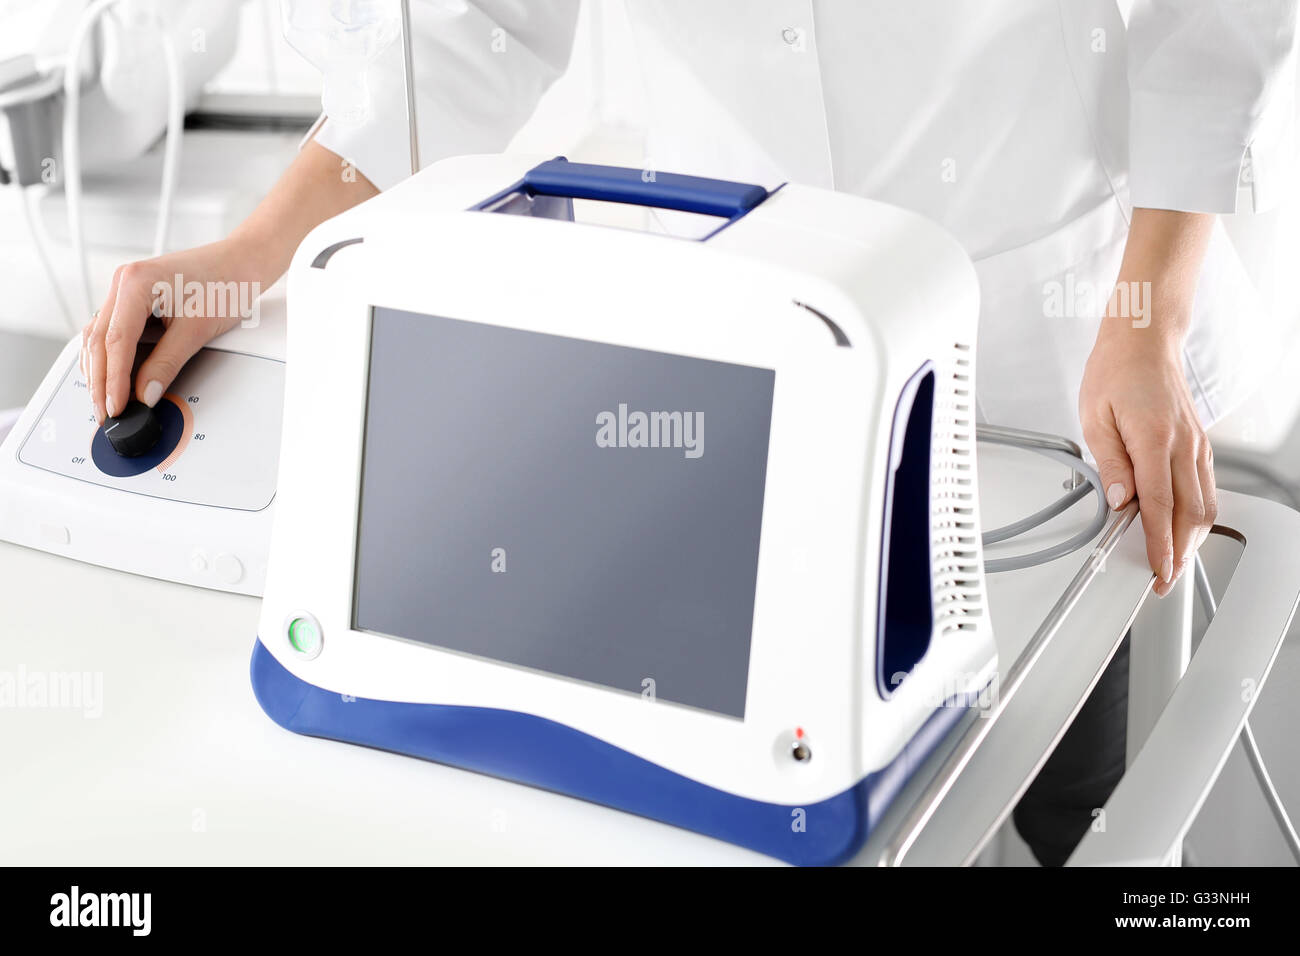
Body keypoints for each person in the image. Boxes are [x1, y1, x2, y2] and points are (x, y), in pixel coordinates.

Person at [80, 1, 1297, 864]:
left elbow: (1208, 20)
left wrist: (1149, 316)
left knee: (1060, 789)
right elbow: (478, 29)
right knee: (732, 757)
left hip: (1034, 358)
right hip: (734, 351)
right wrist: (257, 252)